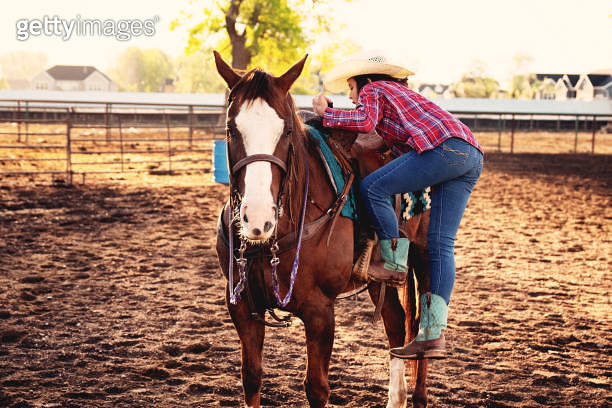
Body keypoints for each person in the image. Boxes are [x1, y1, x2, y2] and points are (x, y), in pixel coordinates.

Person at [311, 50, 483, 360]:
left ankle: (392, 260)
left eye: (351, 88)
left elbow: (364, 121)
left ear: (364, 81)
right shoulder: (400, 96)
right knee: (440, 245)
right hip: (469, 154)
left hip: (443, 150)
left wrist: (327, 114)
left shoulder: (375, 89)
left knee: (373, 187)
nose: (353, 96)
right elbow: (378, 133)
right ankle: (432, 334)